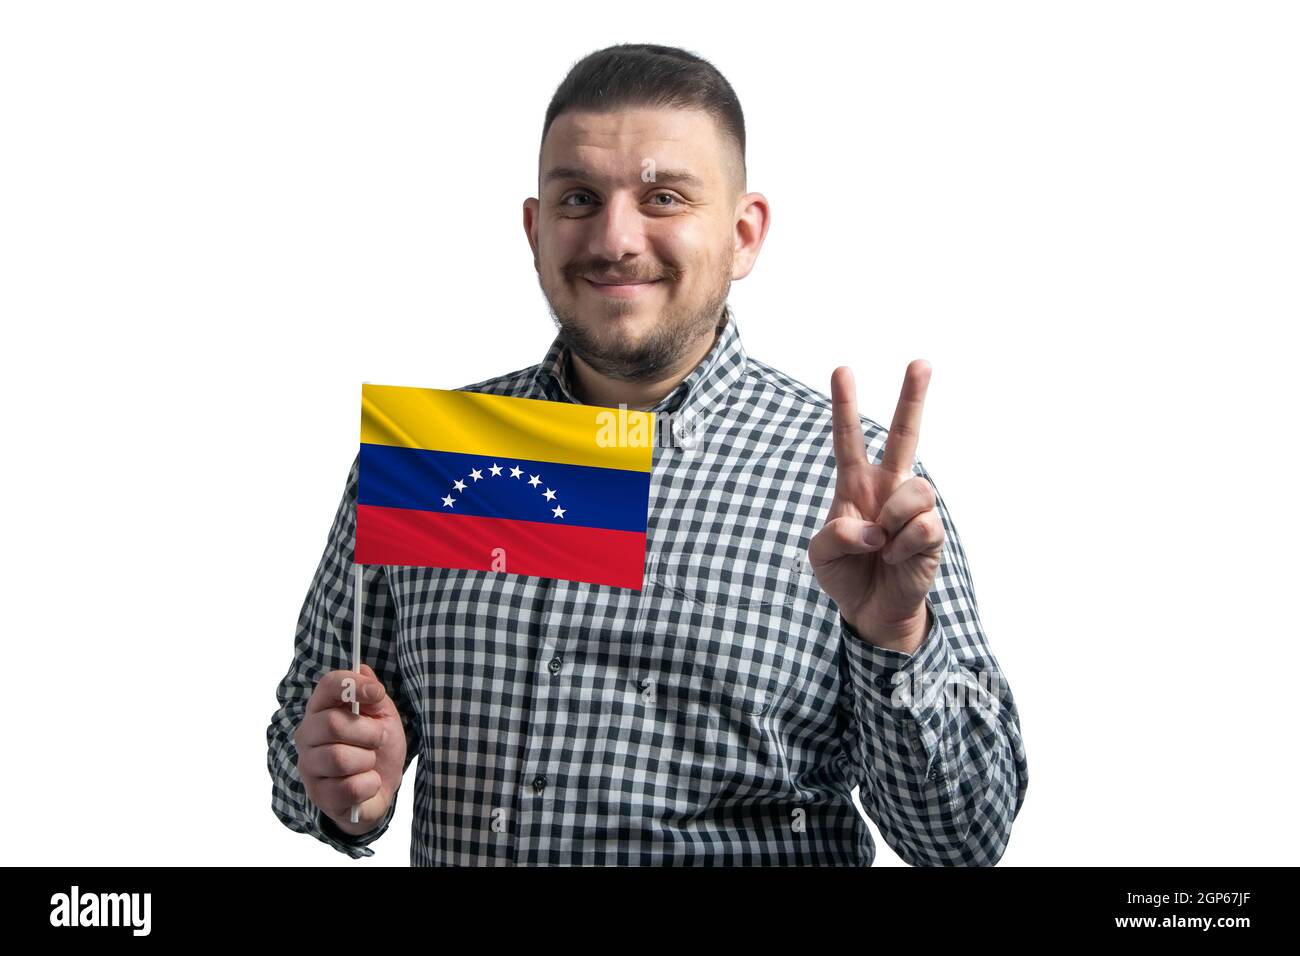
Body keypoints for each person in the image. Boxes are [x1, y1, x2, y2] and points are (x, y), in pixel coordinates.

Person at [266, 42, 1028, 866]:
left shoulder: (857, 493)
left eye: (663, 197)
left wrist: (894, 638)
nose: (615, 238)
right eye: (580, 198)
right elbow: (300, 748)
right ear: (534, 228)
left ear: (743, 235)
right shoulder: (432, 457)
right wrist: (340, 782)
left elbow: (964, 839)